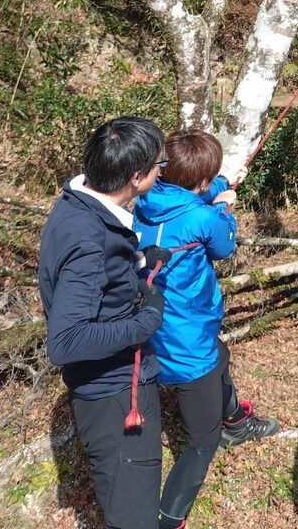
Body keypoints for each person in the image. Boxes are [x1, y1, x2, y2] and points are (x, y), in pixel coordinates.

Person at [133, 129, 279, 529]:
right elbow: (223, 246)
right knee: (201, 442)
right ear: (196, 181)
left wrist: (223, 181)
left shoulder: (144, 196)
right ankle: (168, 517)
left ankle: (235, 421)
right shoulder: (202, 216)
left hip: (153, 327)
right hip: (185, 337)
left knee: (222, 357)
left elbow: (190, 192)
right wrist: (224, 208)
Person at [38, 117, 170, 529]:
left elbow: (94, 282)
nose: (161, 170)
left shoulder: (79, 204)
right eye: (158, 165)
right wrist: (145, 321)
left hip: (112, 384)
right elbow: (66, 341)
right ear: (135, 177)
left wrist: (137, 263)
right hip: (117, 396)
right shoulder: (88, 239)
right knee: (134, 517)